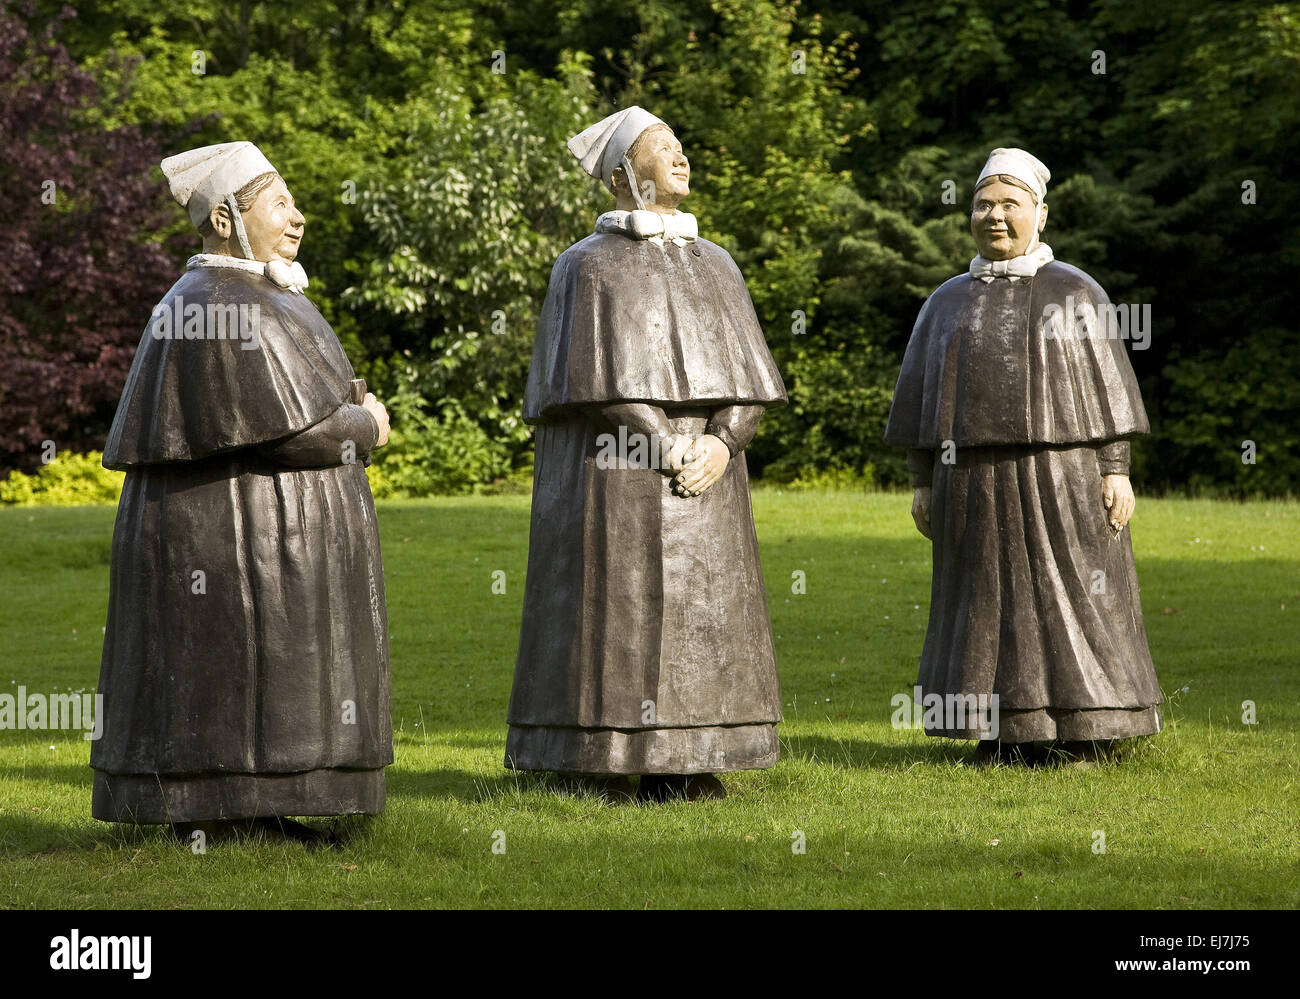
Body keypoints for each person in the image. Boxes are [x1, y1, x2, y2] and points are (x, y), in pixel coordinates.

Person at [91, 141, 393, 840]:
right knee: (236, 663)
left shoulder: (263, 294)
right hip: (229, 537)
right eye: (280, 203)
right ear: (226, 217)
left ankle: (258, 799)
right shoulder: (216, 303)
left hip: (268, 534)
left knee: (266, 670)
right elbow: (294, 431)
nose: (299, 217)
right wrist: (369, 425)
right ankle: (223, 804)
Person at [506, 107, 787, 801]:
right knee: (618, 610)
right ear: (626, 174)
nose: (680, 157)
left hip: (710, 476)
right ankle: (607, 755)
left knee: (705, 611)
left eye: (681, 146)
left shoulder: (715, 263)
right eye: (663, 149)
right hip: (618, 476)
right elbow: (595, 380)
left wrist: (723, 443)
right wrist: (665, 446)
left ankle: (695, 757)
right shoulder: (587, 267)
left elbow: (750, 376)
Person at [884, 147, 1162, 764]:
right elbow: (920, 403)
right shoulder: (946, 302)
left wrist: (1114, 467)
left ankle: (1088, 724)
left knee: (1076, 597)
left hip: (1063, 477)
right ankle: (998, 730)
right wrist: (923, 481)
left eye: (1011, 204)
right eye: (984, 204)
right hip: (970, 480)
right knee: (980, 601)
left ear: (1040, 212)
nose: (996, 216)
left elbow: (1106, 390)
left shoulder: (1077, 292)